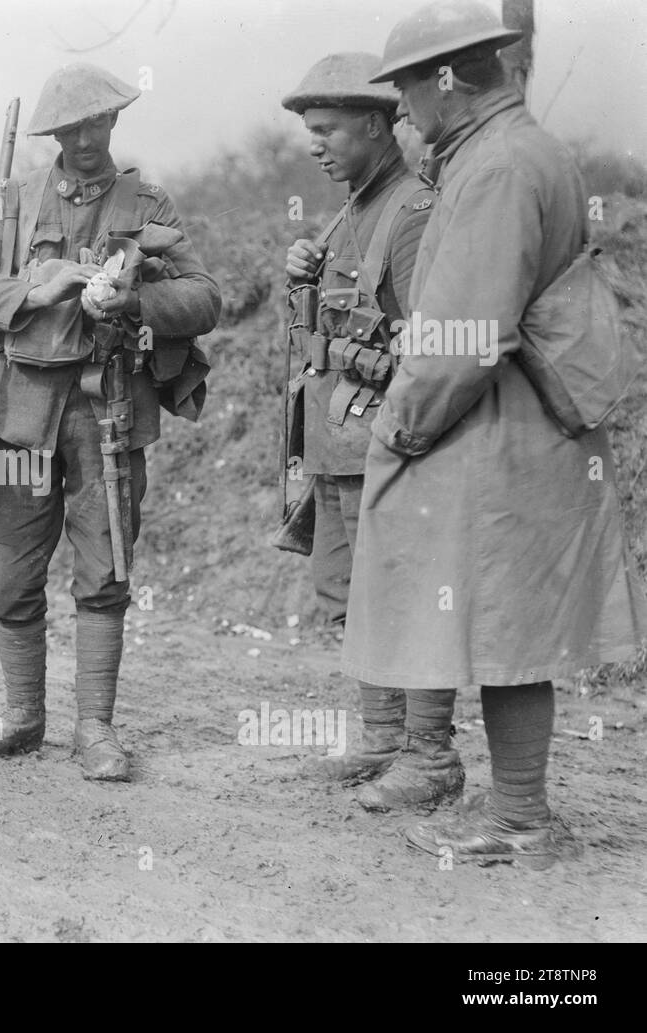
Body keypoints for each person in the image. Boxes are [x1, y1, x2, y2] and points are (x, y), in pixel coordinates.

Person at [345, 1, 647, 860]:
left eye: (408, 88)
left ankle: (521, 819)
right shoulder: (508, 151)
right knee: (507, 622)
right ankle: (510, 805)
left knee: (511, 626)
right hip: (511, 424)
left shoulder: (500, 165)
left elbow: (467, 336)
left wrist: (399, 427)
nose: (402, 109)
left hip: (501, 429)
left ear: (448, 80)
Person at [0, 64, 221, 781]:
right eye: (71, 128)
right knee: (8, 576)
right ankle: (24, 715)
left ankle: (94, 726)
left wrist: (133, 302)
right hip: (18, 414)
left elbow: (204, 298)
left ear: (113, 123)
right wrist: (39, 287)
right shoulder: (14, 203)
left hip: (109, 410)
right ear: (54, 134)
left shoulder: (148, 201)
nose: (85, 138)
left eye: (96, 123)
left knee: (106, 570)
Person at [279, 52, 436, 788]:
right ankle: (381, 737)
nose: (315, 144)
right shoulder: (350, 212)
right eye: (310, 130)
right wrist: (304, 279)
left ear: (376, 126)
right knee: (349, 595)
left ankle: (430, 753)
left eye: (328, 130)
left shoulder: (411, 214)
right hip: (337, 442)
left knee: (404, 599)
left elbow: (427, 347)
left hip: (387, 442)